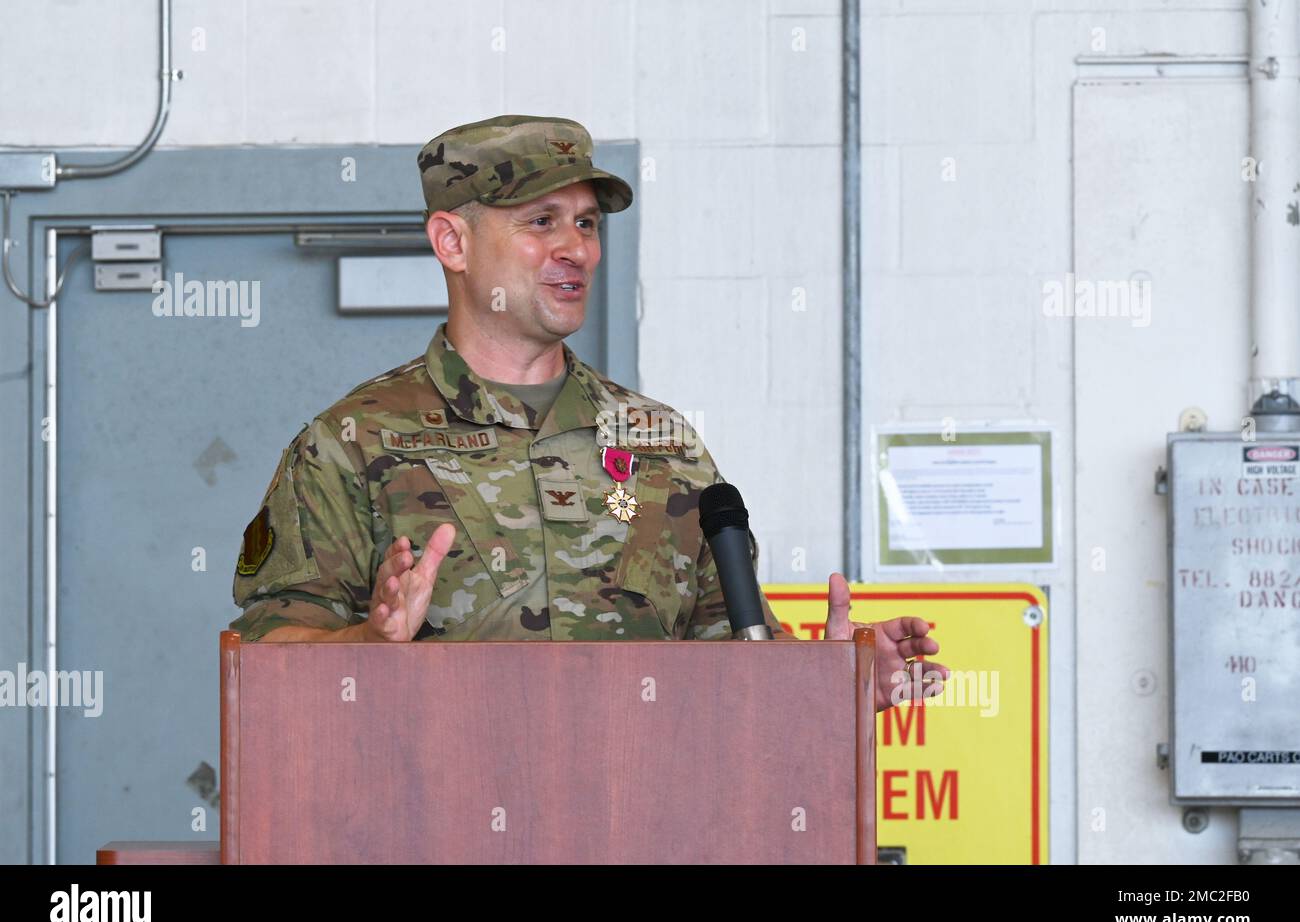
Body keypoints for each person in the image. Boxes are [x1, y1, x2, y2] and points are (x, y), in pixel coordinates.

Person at [228, 114, 948, 711]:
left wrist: (837, 678)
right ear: (453, 242)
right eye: (542, 221)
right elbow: (265, 662)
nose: (577, 249)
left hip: (638, 821)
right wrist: (369, 644)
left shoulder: (661, 444)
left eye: (587, 223)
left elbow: (728, 659)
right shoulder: (353, 442)